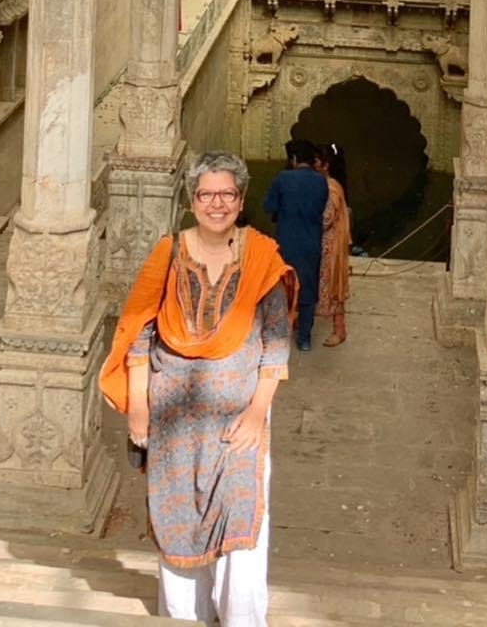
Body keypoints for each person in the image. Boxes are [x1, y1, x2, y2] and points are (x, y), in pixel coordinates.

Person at [100, 151, 294, 627]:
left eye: (227, 193)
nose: (217, 203)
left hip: (238, 422)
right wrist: (139, 411)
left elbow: (275, 342)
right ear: (192, 200)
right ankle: (183, 619)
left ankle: (241, 621)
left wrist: (255, 414)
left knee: (242, 528)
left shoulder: (261, 257)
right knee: (180, 523)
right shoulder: (168, 253)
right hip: (173, 422)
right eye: (207, 194)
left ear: (241, 199)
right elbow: (139, 334)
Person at [263, 139, 328, 353]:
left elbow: (269, 205)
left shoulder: (283, 178)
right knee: (308, 290)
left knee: (281, 287)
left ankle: (278, 337)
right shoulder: (321, 182)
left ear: (293, 159)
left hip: (286, 242)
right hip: (311, 243)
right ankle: (305, 339)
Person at [314, 144, 351, 348]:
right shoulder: (324, 184)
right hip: (322, 241)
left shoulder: (331, 188)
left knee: (333, 285)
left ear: (326, 165)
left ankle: (339, 330)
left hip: (330, 243)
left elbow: (327, 217)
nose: (313, 166)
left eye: (317, 162)